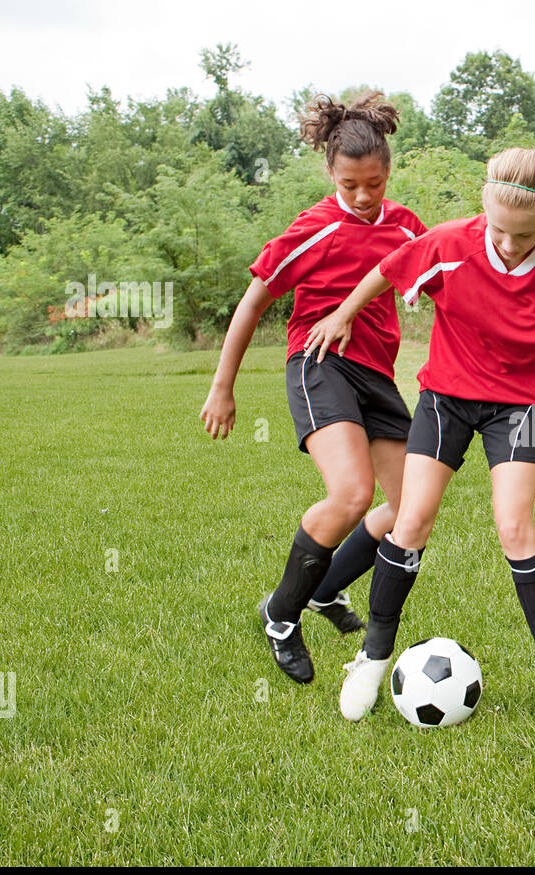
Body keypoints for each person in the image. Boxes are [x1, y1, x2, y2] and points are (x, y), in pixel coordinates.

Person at [304, 146, 535, 720]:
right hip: (445, 399)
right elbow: (390, 268)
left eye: (524, 236)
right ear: (486, 211)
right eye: (500, 230)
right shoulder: (453, 244)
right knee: (410, 520)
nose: (507, 244)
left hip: (516, 408)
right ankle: (372, 655)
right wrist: (345, 313)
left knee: (514, 528)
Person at [200, 92, 425, 684]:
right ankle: (281, 614)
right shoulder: (314, 228)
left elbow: (443, 280)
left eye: (373, 183)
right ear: (330, 172)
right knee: (351, 494)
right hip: (318, 363)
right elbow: (253, 302)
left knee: (409, 510)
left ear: (388, 172)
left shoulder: (406, 226)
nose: (361, 195)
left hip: (377, 375)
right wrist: (223, 386)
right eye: (349, 183)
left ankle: (323, 592)